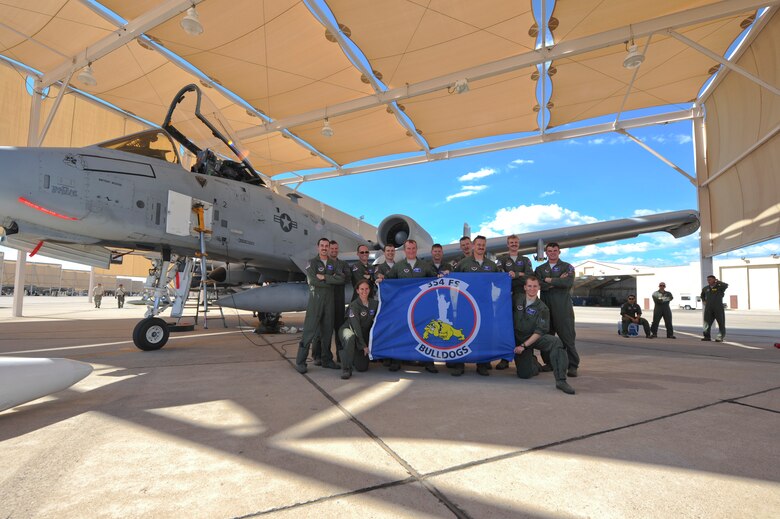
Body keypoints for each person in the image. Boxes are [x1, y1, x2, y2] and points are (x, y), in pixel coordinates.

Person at [377, 239, 439, 373]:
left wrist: (443, 276)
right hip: (402, 307)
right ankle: (396, 360)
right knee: (399, 332)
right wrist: (382, 279)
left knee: (425, 332)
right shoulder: (398, 266)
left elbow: (436, 280)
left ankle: (428, 362)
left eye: (413, 248)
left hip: (421, 307)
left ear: (416, 249)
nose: (411, 251)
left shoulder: (425, 265)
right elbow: (388, 280)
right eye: (408, 248)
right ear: (404, 250)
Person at [513, 276, 575, 395]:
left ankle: (561, 380)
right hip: (517, 337)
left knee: (556, 342)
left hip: (532, 338)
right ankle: (534, 363)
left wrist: (524, 345)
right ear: (525, 287)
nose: (532, 289)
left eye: (535, 286)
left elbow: (539, 332)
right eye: (529, 286)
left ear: (539, 288)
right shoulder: (516, 299)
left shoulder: (543, 308)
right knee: (524, 375)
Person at [452, 235, 502, 376]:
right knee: (461, 332)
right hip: (466, 304)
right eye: (478, 244)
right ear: (473, 246)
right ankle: (459, 364)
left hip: (484, 304)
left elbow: (499, 282)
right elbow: (454, 280)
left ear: (485, 247)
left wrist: (508, 276)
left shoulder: (491, 265)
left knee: (484, 333)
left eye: (483, 245)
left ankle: (482, 364)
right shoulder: (463, 263)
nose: (480, 247)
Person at [295, 238, 343, 373]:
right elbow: (312, 281)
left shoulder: (334, 263)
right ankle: (300, 361)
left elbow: (341, 279)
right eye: (322, 245)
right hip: (316, 301)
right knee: (309, 331)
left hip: (330, 302)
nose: (324, 248)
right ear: (318, 247)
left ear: (329, 248)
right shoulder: (312, 263)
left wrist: (325, 277)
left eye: (326, 246)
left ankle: (327, 360)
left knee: (327, 332)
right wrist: (330, 280)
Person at [535, 242, 579, 377]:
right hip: (546, 308)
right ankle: (549, 363)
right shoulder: (540, 269)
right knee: (546, 337)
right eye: (549, 251)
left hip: (562, 309)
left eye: (555, 250)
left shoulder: (568, 267)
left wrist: (548, 280)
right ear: (546, 253)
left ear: (559, 252)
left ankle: (572, 365)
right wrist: (556, 281)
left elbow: (567, 283)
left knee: (567, 338)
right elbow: (538, 285)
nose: (552, 253)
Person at [495, 234, 534, 369]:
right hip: (505, 297)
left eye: (515, 242)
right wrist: (518, 276)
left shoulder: (525, 260)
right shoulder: (501, 260)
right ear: (507, 244)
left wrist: (516, 274)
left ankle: (525, 358)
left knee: (522, 327)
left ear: (519, 244)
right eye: (511, 242)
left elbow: (530, 276)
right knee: (505, 326)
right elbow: (500, 276)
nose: (513, 244)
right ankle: (505, 358)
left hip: (521, 297)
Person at [338, 279, 378, 379]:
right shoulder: (354, 306)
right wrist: (364, 346)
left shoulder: (374, 304)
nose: (364, 291)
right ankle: (346, 368)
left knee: (362, 367)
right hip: (349, 330)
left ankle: (354, 353)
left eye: (367, 289)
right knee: (350, 337)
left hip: (363, 334)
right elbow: (355, 327)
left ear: (370, 290)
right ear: (357, 291)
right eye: (361, 289)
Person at [701, 275, 729, 342]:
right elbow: (702, 295)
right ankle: (707, 336)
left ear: (714, 280)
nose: (708, 281)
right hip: (708, 308)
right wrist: (704, 300)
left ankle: (720, 337)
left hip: (718, 308)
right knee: (706, 323)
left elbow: (726, 285)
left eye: (710, 279)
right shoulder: (705, 288)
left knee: (721, 323)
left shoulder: (720, 287)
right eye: (708, 280)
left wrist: (718, 282)